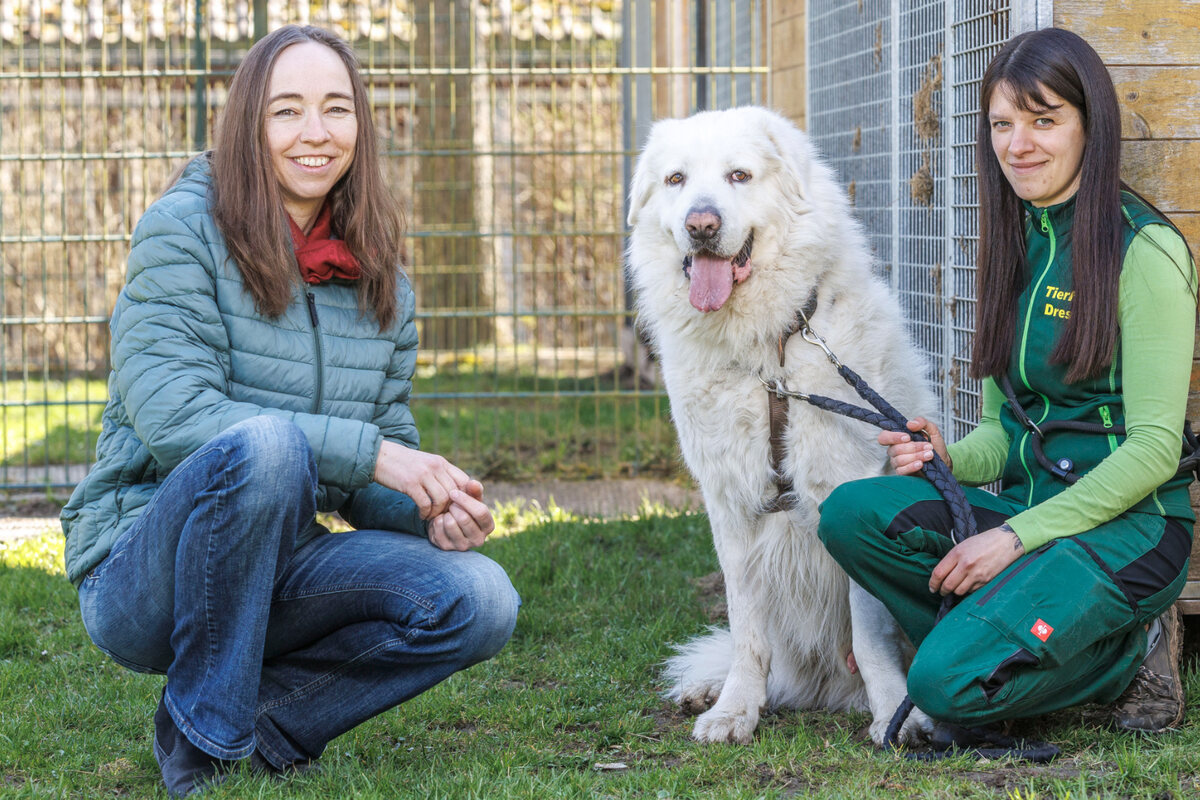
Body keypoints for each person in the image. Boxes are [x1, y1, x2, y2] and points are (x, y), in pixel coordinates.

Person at [60, 25, 520, 797]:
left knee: (482, 598)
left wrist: (428, 507)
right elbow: (174, 414)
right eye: (287, 111)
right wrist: (372, 454)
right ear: (250, 123)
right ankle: (206, 743)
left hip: (281, 564)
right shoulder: (182, 231)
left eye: (336, 110)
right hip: (141, 566)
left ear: (360, 128)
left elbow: (381, 448)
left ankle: (258, 718)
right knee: (267, 446)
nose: (316, 133)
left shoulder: (381, 276)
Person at [817, 27, 1196, 739]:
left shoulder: (1146, 251)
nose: (1019, 143)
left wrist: (1016, 537)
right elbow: (1004, 430)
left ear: (1090, 126)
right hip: (1036, 520)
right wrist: (950, 457)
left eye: (1044, 119)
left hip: (1130, 531)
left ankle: (1128, 654)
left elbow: (1153, 449)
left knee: (939, 683)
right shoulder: (1014, 241)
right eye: (1002, 123)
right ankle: (997, 638)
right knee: (847, 514)